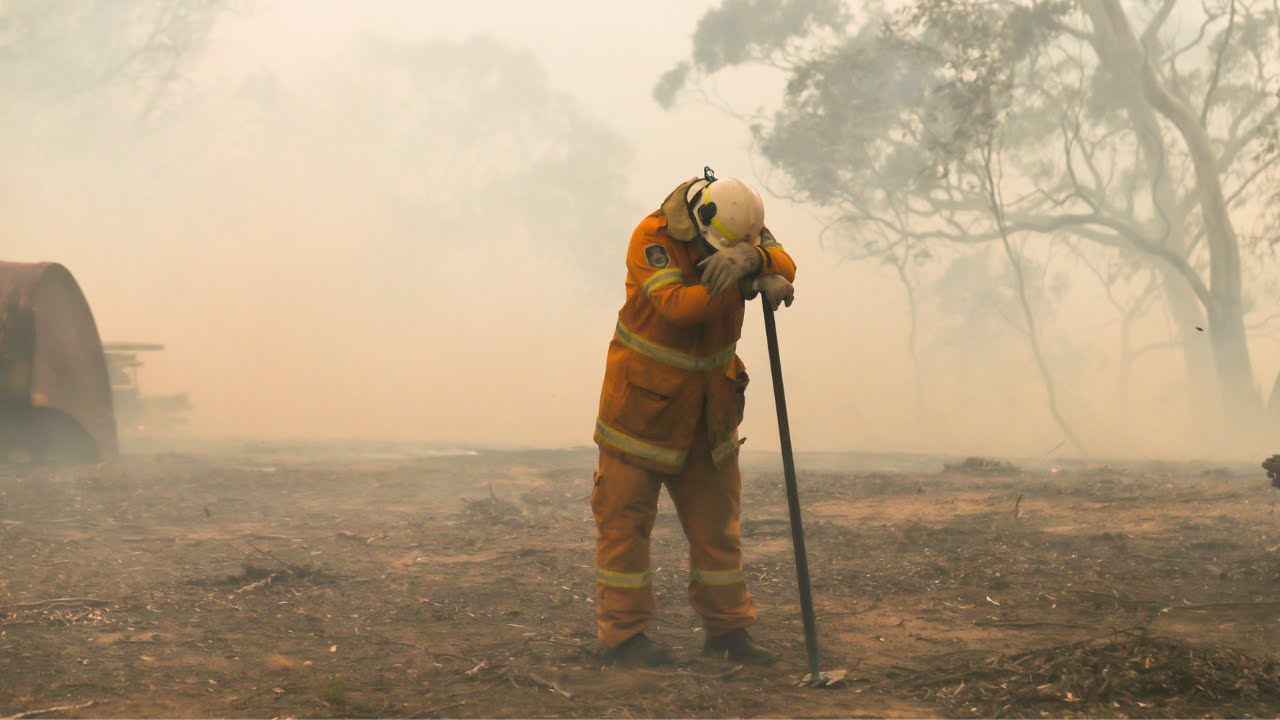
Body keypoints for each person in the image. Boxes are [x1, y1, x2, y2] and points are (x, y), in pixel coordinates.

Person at [591, 167, 796, 667]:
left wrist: (757, 258)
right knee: (625, 529)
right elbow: (675, 307)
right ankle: (624, 639)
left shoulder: (739, 226)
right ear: (700, 221)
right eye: (718, 248)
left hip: (710, 415)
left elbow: (785, 259)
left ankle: (728, 632)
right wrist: (743, 284)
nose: (716, 255)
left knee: (717, 531)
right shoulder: (652, 237)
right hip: (641, 416)